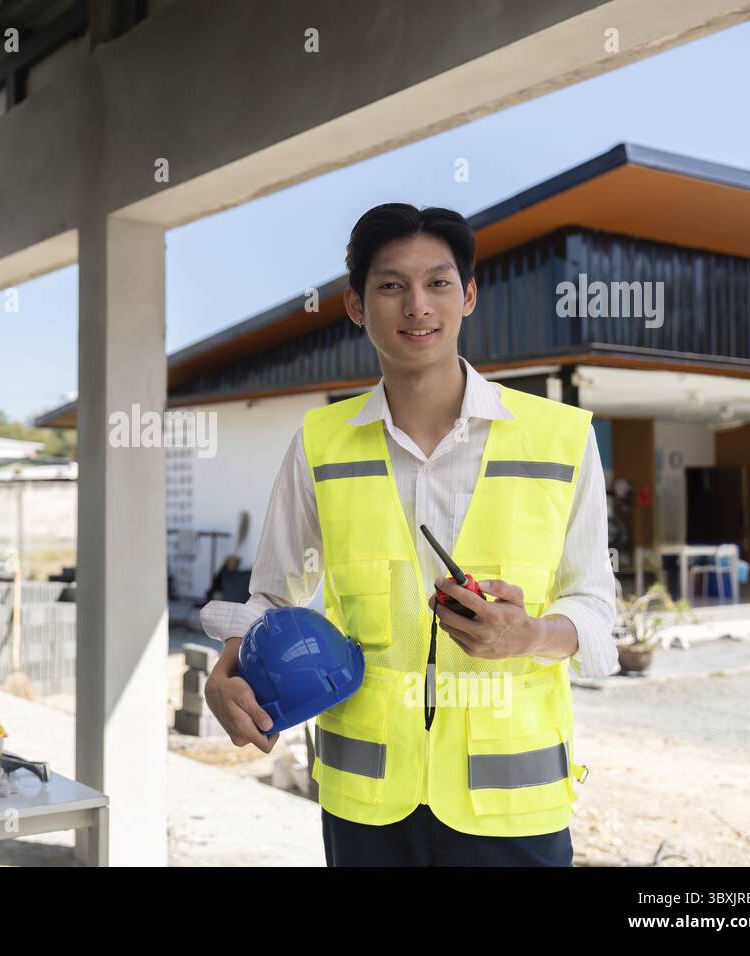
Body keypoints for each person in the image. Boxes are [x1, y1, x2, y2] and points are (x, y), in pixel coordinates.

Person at [201, 203, 618, 866]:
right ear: (357, 306)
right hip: (367, 804)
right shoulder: (320, 442)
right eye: (392, 285)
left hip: (513, 807)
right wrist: (221, 671)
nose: (417, 305)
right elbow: (273, 600)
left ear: (470, 296)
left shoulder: (562, 439)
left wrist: (531, 634)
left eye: (439, 283)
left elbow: (596, 612)